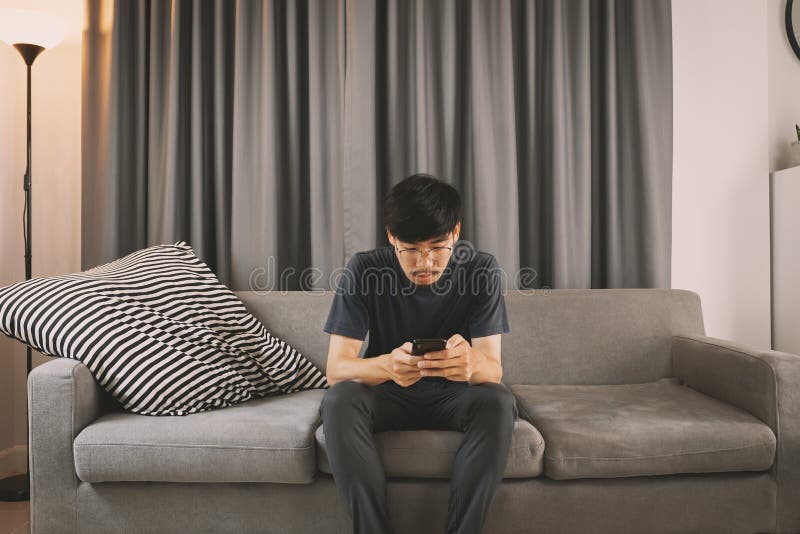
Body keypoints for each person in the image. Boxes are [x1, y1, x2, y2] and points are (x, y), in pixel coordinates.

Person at [320, 173, 517, 534]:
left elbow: (494, 370)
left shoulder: (481, 269)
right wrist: (387, 365)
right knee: (339, 400)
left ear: (455, 233)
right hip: (388, 395)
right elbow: (336, 369)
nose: (425, 262)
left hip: (455, 396)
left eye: (437, 247)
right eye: (410, 249)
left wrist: (471, 364)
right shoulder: (364, 269)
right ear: (391, 236)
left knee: (499, 401)